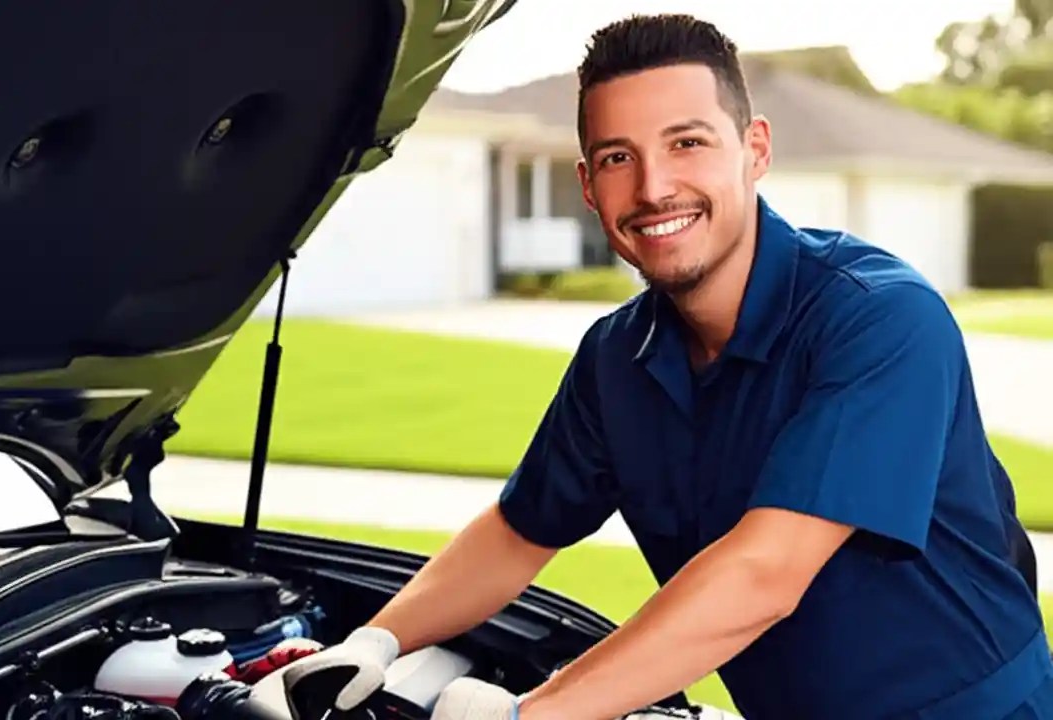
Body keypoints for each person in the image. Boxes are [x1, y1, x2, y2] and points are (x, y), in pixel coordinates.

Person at [281, 13, 1053, 720]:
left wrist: (535, 714)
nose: (653, 189)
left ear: (754, 150)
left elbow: (763, 575)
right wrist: (376, 641)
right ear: (587, 185)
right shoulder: (615, 360)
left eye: (687, 143)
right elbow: (518, 534)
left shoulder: (878, 318)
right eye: (619, 157)